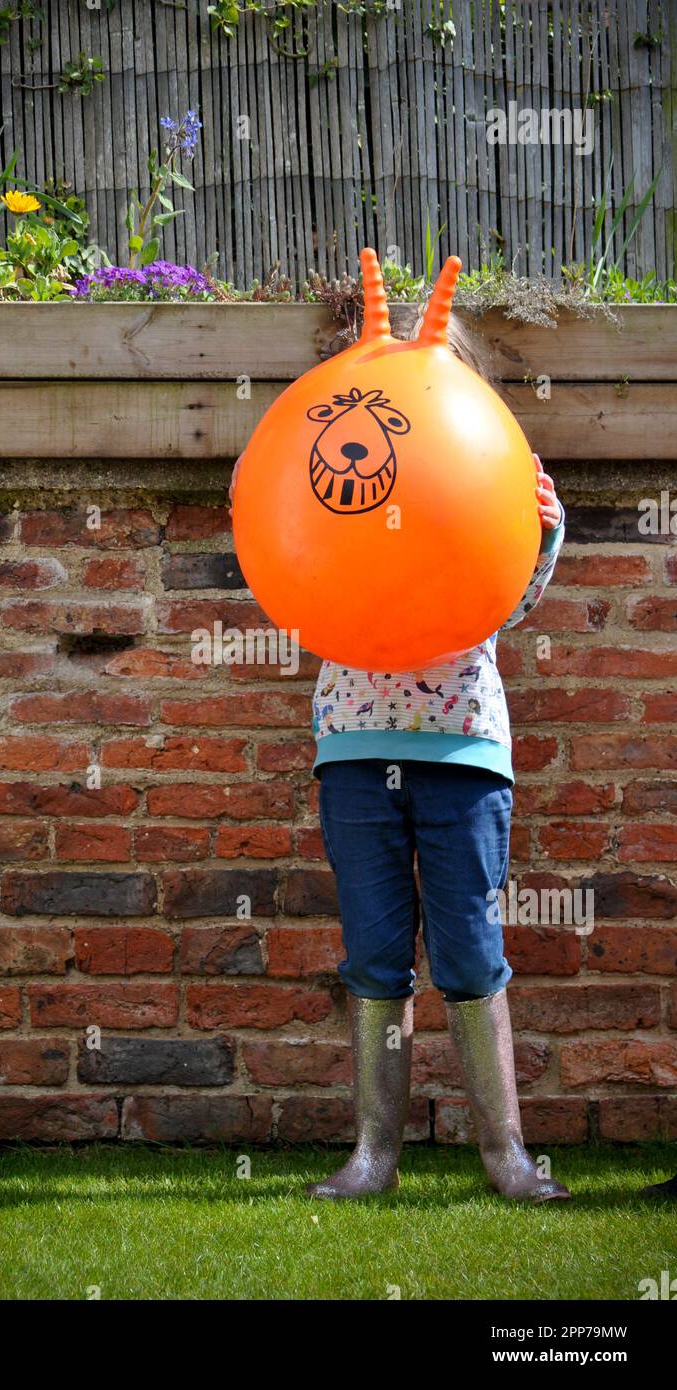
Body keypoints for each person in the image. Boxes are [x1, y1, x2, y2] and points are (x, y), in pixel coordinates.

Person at [229, 299, 571, 1203]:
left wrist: (544, 528)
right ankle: (374, 1154)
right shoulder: (328, 439)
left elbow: (507, 598)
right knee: (375, 955)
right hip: (351, 745)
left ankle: (504, 1156)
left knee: (468, 948)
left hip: (463, 748)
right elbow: (296, 559)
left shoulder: (477, 452)